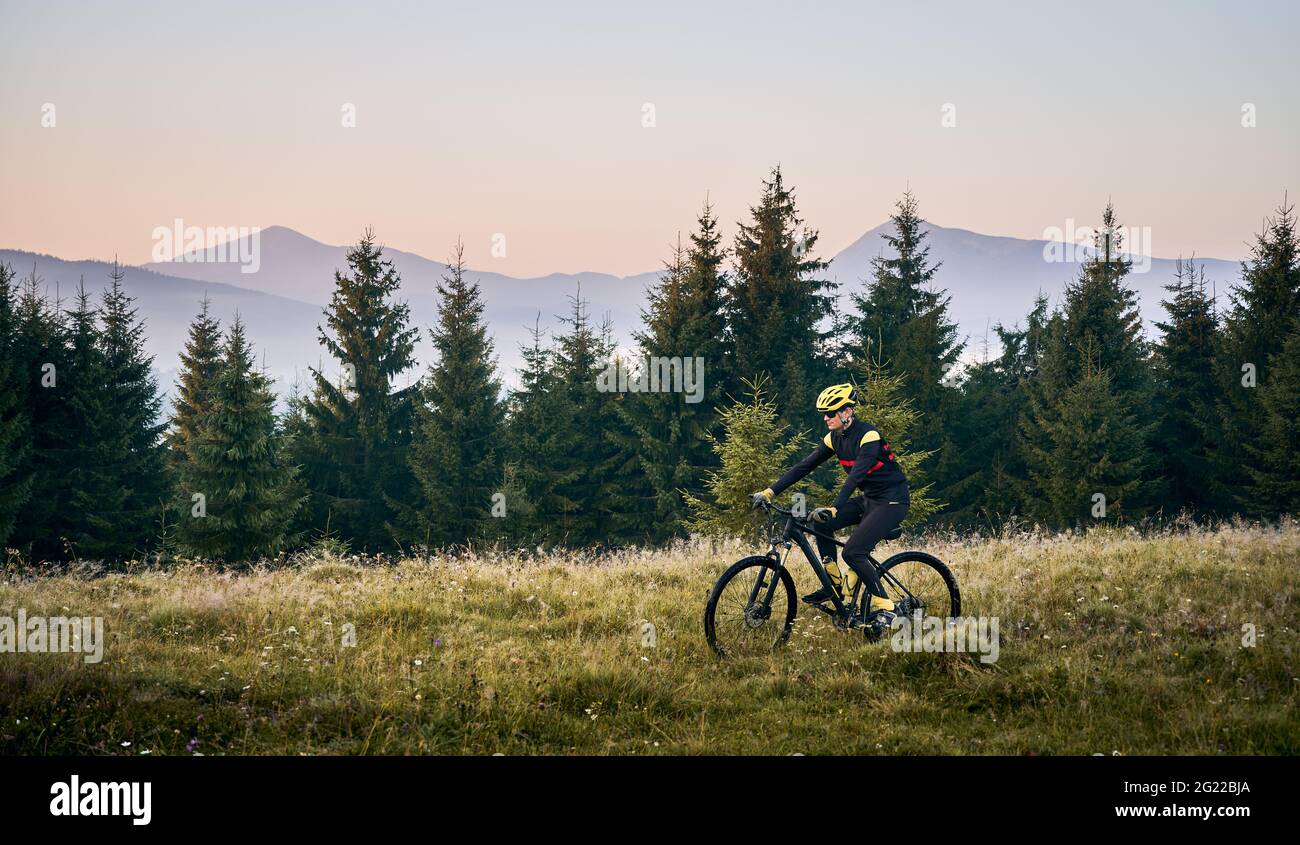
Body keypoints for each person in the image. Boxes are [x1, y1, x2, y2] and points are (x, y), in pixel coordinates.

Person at [751, 383, 908, 626]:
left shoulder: (868, 436)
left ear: (847, 412)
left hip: (892, 501)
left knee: (853, 552)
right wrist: (769, 492)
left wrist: (834, 506)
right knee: (819, 523)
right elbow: (804, 466)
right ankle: (834, 583)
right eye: (824, 413)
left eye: (831, 412)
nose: (826, 418)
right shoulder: (834, 438)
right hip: (868, 500)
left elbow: (855, 476)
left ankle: (887, 607)